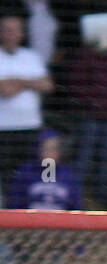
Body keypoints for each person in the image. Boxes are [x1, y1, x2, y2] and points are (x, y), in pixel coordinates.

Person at [0, 13, 51, 193]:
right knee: (5, 177)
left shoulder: (31, 56)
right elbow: (5, 91)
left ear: (22, 33)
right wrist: (30, 82)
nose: (10, 34)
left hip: (30, 126)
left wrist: (16, 81)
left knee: (30, 174)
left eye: (14, 30)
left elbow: (47, 85)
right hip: (4, 128)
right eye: (6, 30)